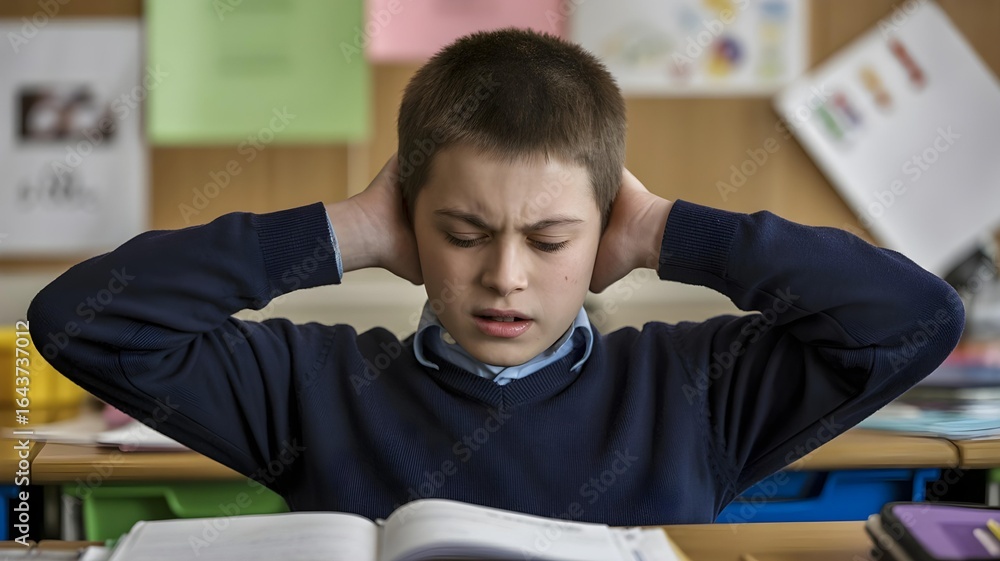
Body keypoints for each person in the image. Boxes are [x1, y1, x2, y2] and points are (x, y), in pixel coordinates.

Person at [27, 27, 964, 525]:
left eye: (551, 239)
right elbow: (80, 319)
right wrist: (340, 232)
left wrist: (674, 233)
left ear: (605, 227)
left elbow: (914, 318)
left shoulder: (695, 391)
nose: (505, 276)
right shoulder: (313, 388)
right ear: (408, 227)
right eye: (463, 232)